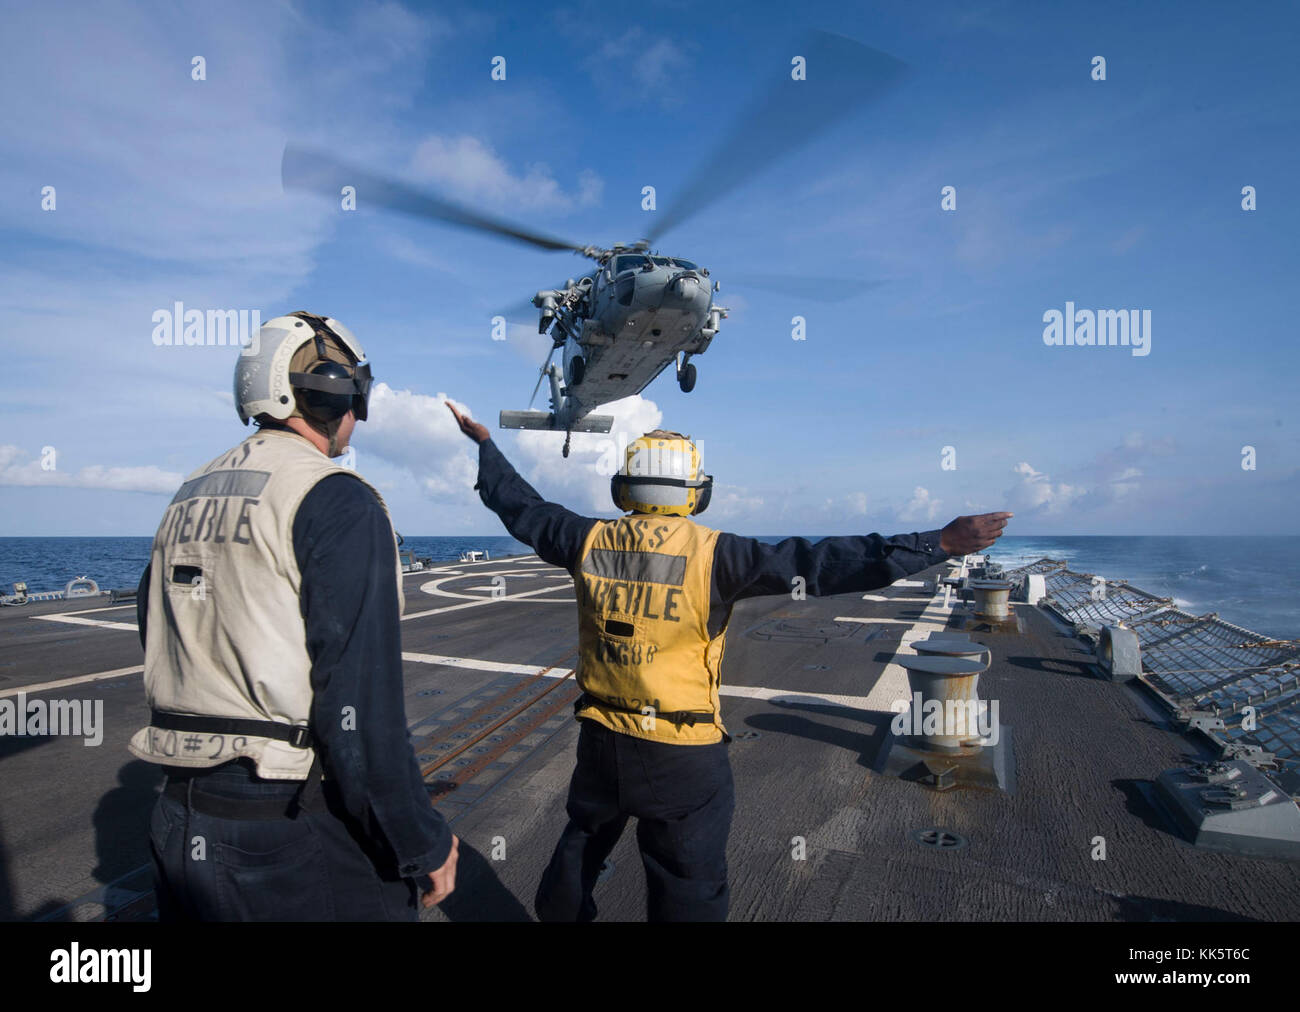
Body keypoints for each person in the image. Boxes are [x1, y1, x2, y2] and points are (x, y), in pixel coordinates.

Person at [446, 402, 1011, 921]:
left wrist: (486, 447)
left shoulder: (585, 539)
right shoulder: (719, 554)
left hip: (602, 739)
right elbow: (822, 563)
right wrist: (939, 543)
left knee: (581, 844)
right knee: (688, 882)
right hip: (681, 754)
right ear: (695, 492)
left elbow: (523, 509)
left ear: (624, 488)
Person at [130, 311, 458, 921]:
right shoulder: (334, 497)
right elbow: (359, 708)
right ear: (332, 392)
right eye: (357, 398)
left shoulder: (187, 494)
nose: (357, 422)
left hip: (178, 821)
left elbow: (157, 627)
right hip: (286, 833)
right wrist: (421, 839)